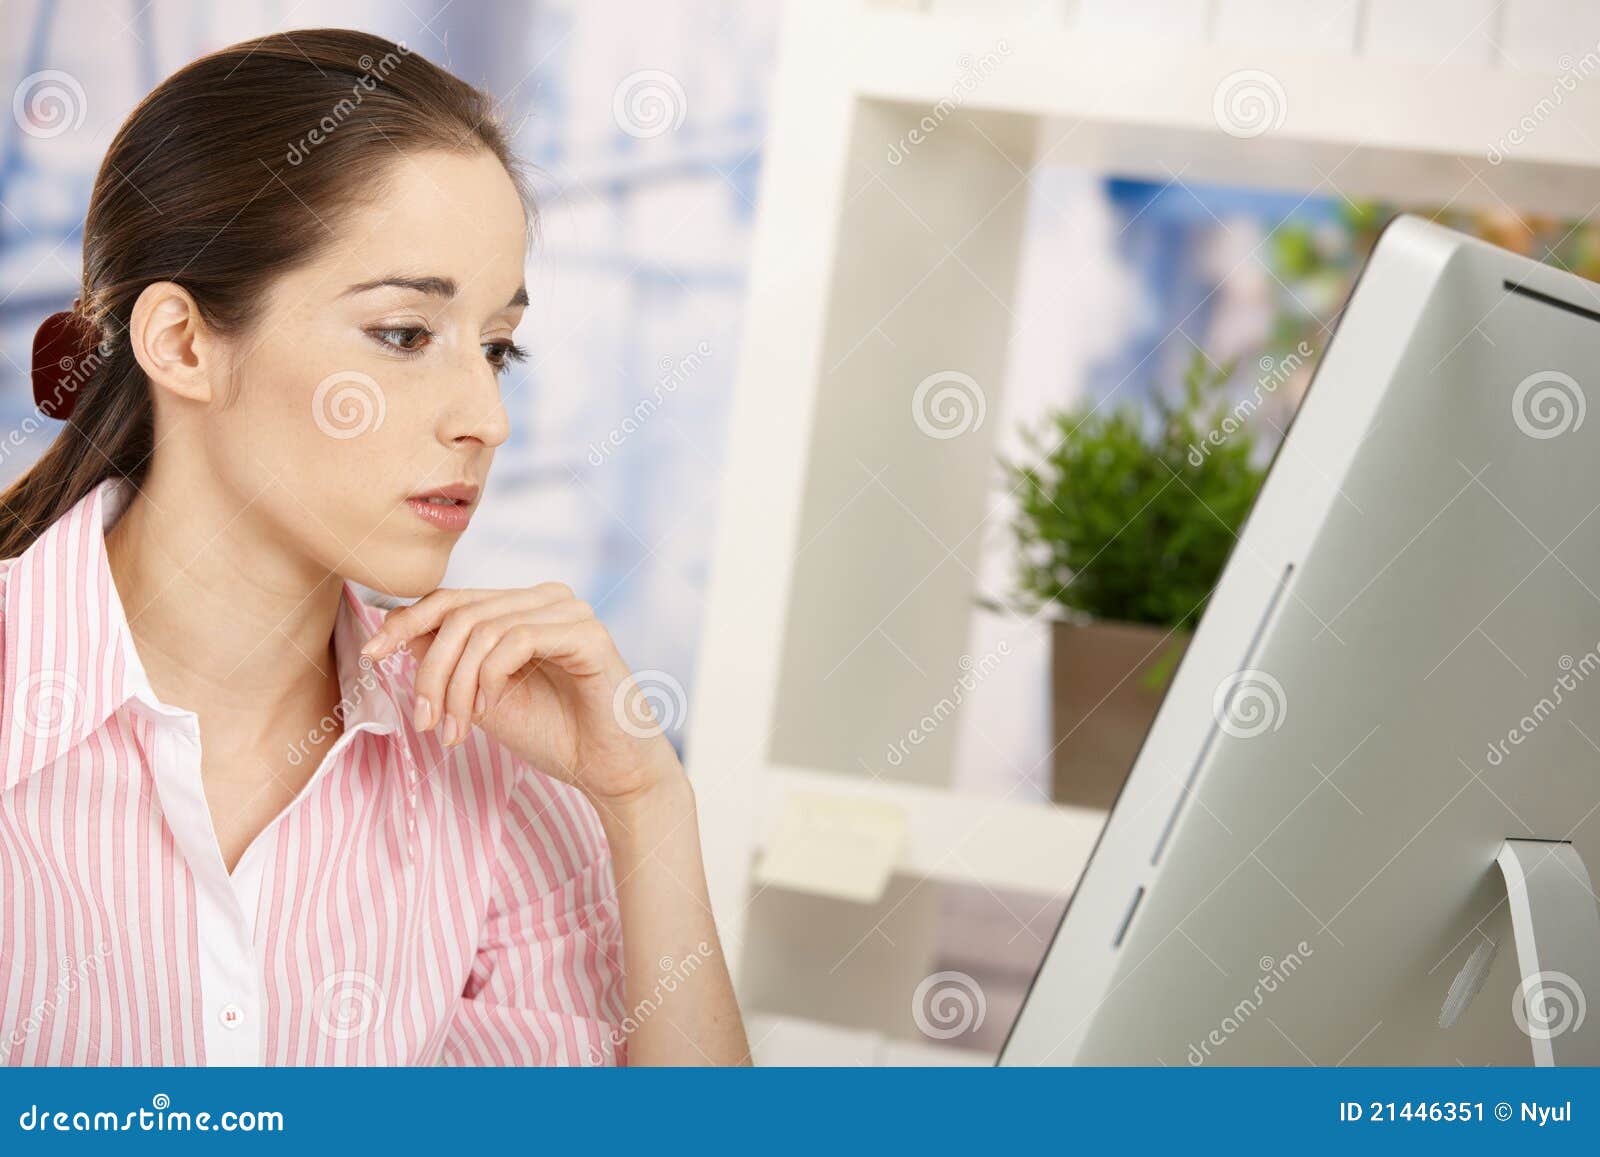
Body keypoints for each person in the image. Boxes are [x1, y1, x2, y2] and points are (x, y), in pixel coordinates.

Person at [0, 27, 748, 1067]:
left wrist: (646, 803)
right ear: (180, 343)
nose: (485, 416)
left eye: (497, 347)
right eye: (403, 335)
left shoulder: (498, 765)